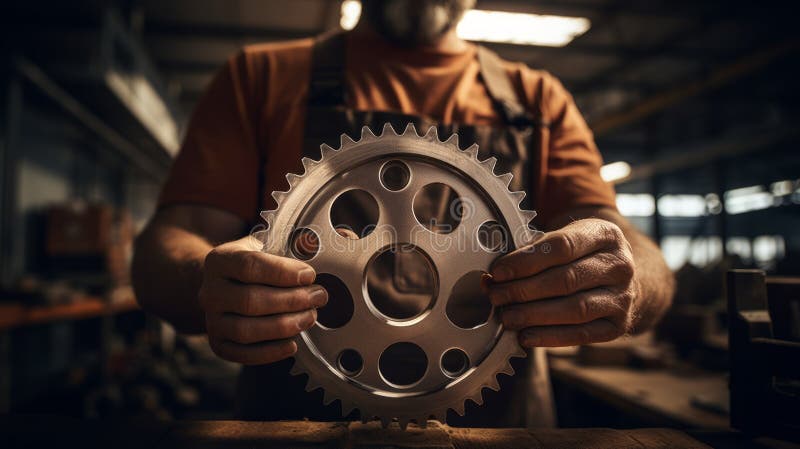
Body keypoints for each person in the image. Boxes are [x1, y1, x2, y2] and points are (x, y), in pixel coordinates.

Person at [132, 0, 674, 426]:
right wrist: (207, 281)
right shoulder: (260, 77)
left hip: (499, 430)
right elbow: (172, 242)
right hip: (298, 427)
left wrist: (625, 278)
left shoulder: (536, 100)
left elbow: (628, 247)